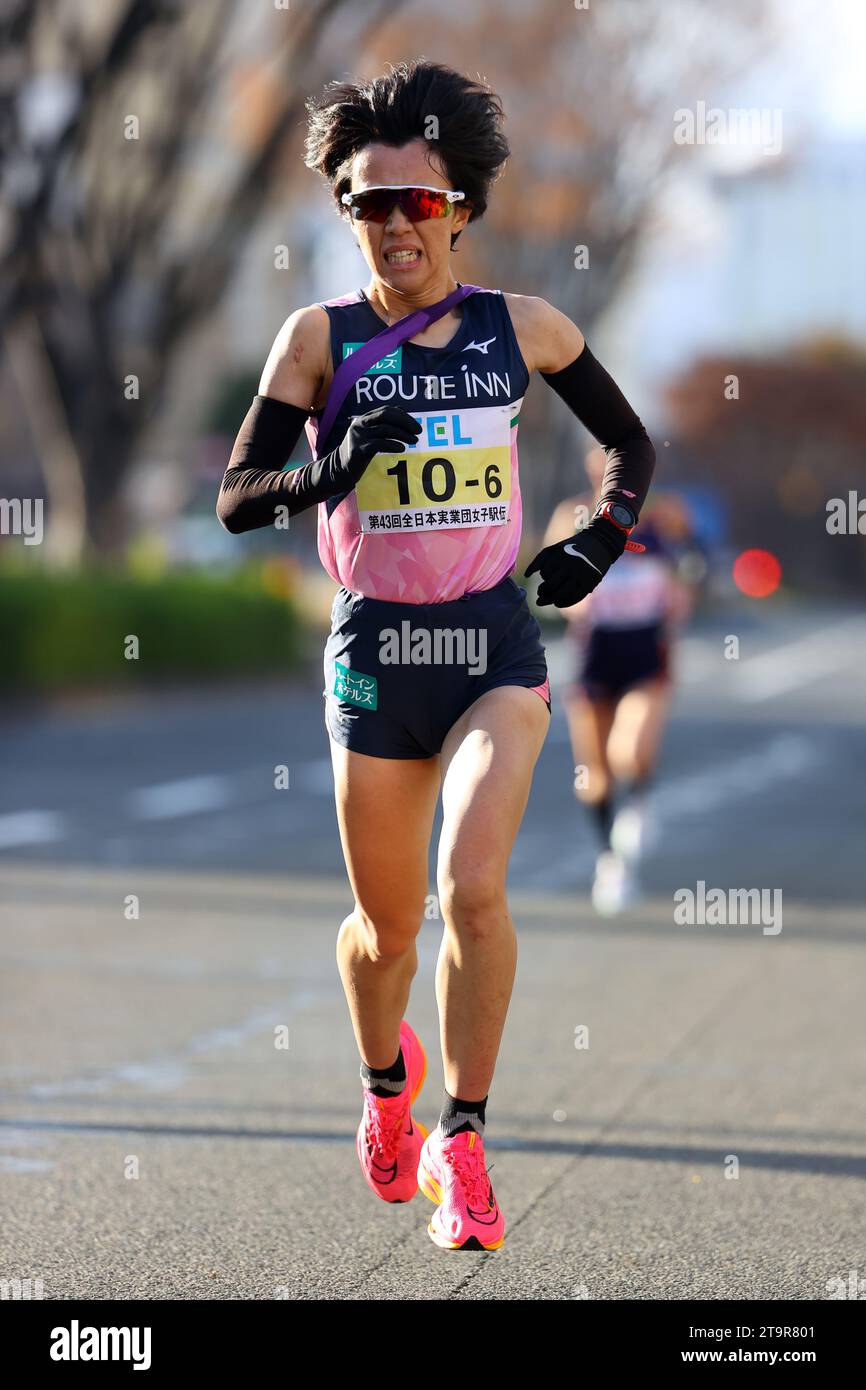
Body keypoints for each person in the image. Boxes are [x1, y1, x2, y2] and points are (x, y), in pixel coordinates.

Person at [216, 61, 655, 1251]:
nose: (394, 223)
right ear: (343, 213)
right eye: (367, 202)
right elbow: (239, 500)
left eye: (417, 201)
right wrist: (333, 467)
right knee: (386, 928)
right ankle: (382, 1083)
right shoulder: (316, 339)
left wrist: (599, 546)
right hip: (372, 655)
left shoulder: (524, 327)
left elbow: (626, 439)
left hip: (490, 650)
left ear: (459, 204)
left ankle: (461, 1141)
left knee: (472, 887)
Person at [542, 447, 695, 914]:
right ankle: (611, 862)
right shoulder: (573, 516)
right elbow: (549, 583)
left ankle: (641, 803)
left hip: (646, 650)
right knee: (594, 776)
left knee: (631, 752)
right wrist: (573, 602)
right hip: (595, 653)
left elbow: (689, 564)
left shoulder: (664, 517)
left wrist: (679, 594)